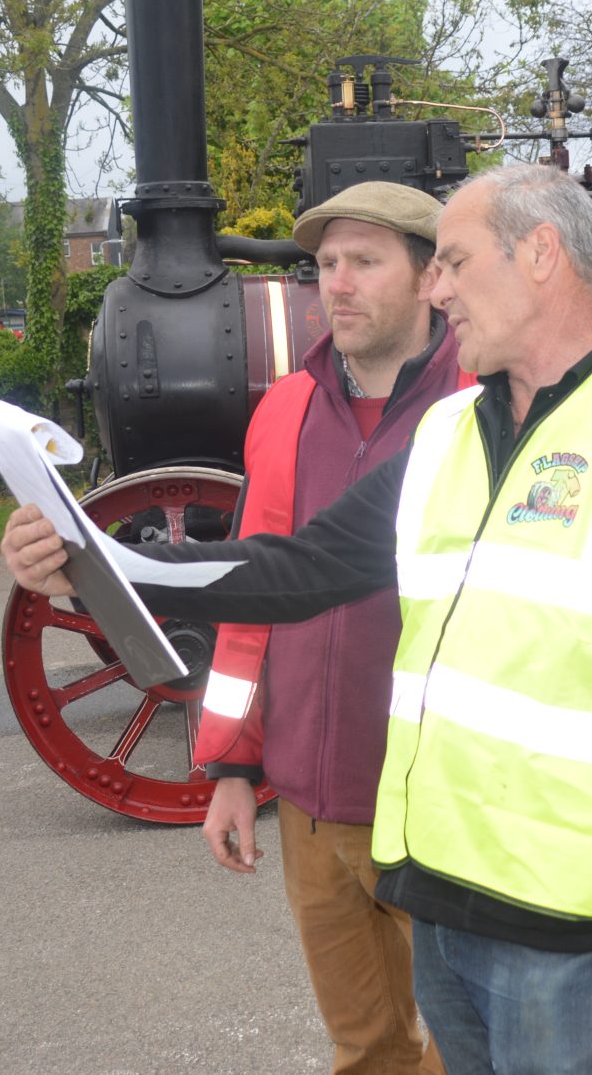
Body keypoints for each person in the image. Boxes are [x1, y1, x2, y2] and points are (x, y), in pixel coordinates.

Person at [2, 163, 592, 1075]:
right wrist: (104, 566)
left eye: (456, 262)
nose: (436, 286)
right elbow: (297, 570)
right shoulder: (452, 432)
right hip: (447, 920)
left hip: (590, 951)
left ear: (540, 254)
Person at [195, 182, 463, 1075]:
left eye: (365, 261)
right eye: (325, 265)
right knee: (366, 1051)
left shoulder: (486, 408)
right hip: (310, 810)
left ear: (432, 279)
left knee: (477, 1053)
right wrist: (234, 767)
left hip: (442, 810)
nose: (336, 285)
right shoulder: (284, 410)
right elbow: (251, 606)